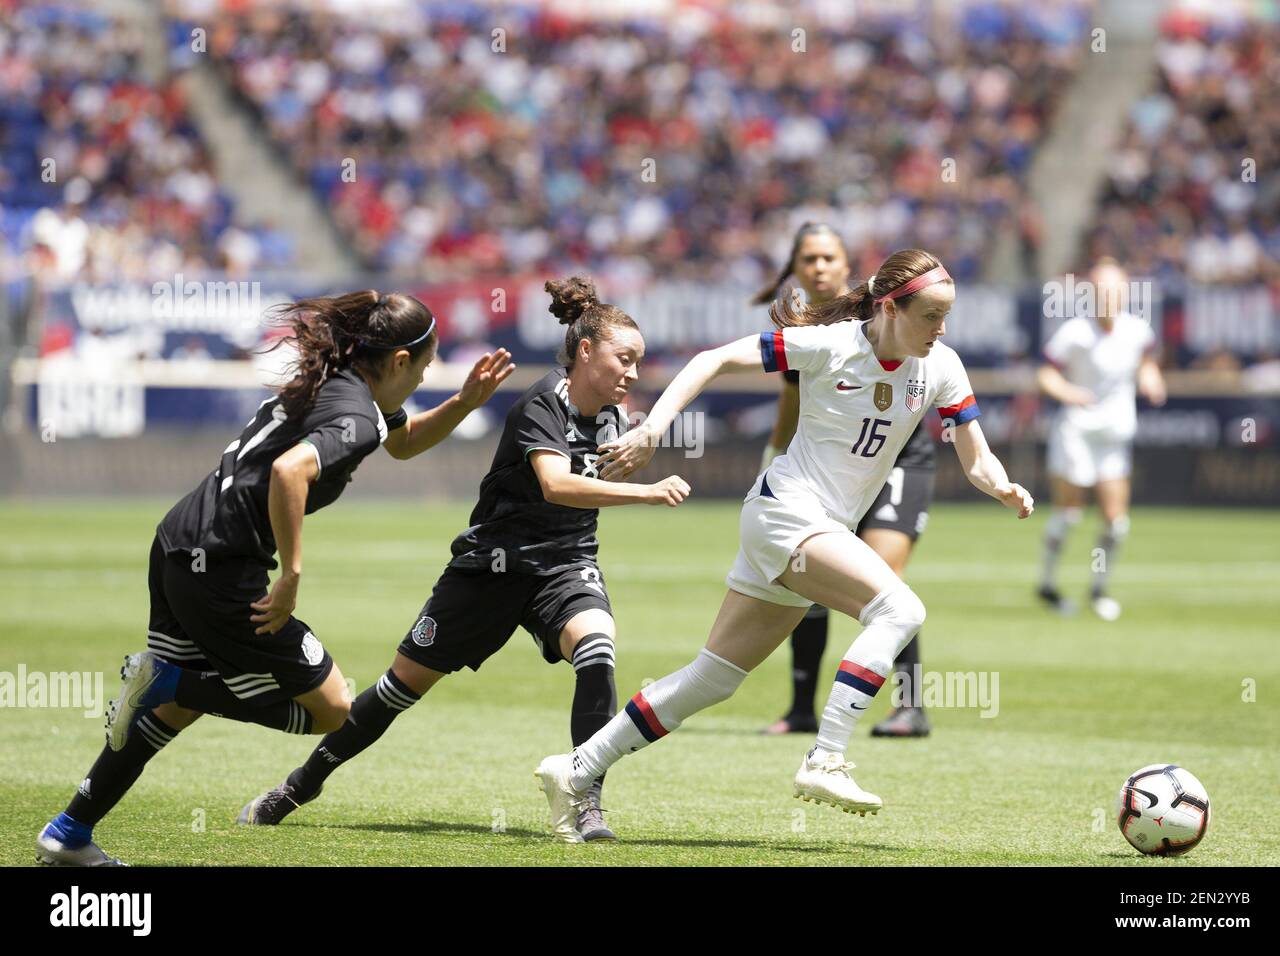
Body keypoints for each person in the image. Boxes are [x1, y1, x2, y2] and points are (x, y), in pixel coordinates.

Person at [535, 249, 1034, 835]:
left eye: (945, 316)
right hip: (786, 514)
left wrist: (1002, 487)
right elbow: (714, 359)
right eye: (930, 315)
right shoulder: (831, 345)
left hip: (809, 525)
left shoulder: (942, 365)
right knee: (901, 609)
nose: (941, 329)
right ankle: (825, 758)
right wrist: (653, 429)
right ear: (890, 308)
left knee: (713, 678)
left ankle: (576, 768)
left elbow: (977, 458)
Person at [36, 290, 515, 865]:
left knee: (177, 711)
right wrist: (291, 573)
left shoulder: (338, 381)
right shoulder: (357, 416)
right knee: (331, 708)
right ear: (398, 361)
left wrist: (463, 401)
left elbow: (405, 442)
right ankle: (167, 681)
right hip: (221, 566)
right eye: (426, 366)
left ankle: (69, 830)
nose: (423, 378)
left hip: (177, 546)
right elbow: (291, 471)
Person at [236, 277, 691, 844]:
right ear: (584, 351)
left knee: (597, 651)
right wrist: (646, 491)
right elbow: (554, 484)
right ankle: (300, 784)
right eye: (625, 359)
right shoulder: (542, 402)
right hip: (490, 569)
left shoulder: (613, 417)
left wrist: (633, 454)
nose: (633, 373)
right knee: (399, 689)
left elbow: (592, 477)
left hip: (565, 565)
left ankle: (585, 801)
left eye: (638, 362)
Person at [756, 223, 938, 739]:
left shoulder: (877, 312)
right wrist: (774, 457)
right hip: (830, 470)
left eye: (828, 258)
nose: (819, 267)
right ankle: (801, 709)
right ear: (794, 268)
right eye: (808, 259)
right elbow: (793, 400)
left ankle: (910, 707)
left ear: (845, 265)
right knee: (808, 574)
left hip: (898, 460)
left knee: (882, 576)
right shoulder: (802, 327)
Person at [1037, 259, 1166, 621]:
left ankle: (1098, 589)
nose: (1108, 296)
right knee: (1070, 513)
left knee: (1115, 521)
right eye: (1100, 289)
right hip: (1077, 432)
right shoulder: (1075, 333)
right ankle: (1048, 584)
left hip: (1113, 435)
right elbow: (1046, 374)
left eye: (1114, 289)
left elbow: (1146, 362)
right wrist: (1068, 392)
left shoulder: (1137, 331)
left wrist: (1151, 377)